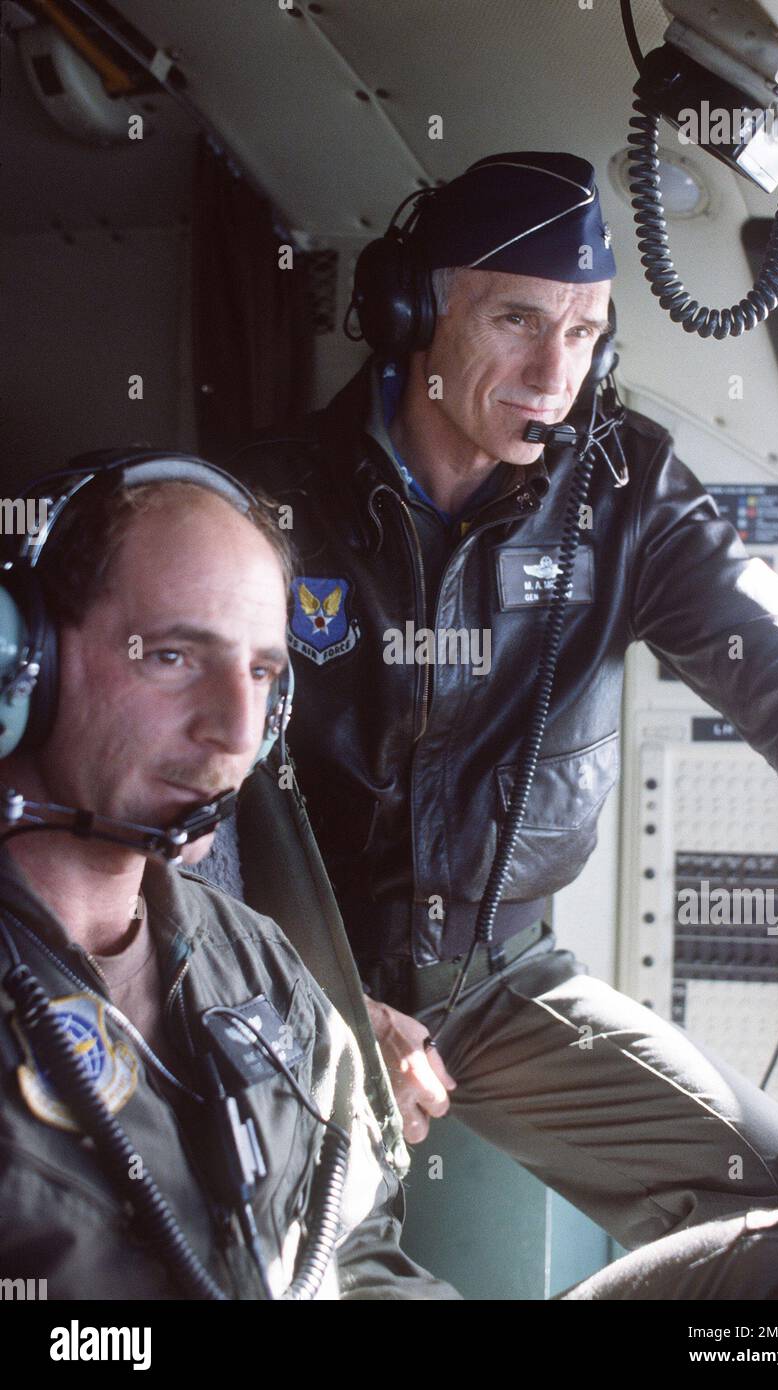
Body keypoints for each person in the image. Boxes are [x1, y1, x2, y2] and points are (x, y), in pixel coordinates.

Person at [233, 150, 778, 1271]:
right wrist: (299, 994)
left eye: (585, 333)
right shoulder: (264, 500)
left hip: (498, 977)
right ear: (413, 311)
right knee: (343, 1278)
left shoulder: (624, 496)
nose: (553, 371)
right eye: (518, 321)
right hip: (296, 976)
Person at [0, 451, 459, 1300]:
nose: (238, 732)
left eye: (261, 673)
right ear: (23, 661)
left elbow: (356, 1251)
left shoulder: (253, 954)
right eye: (173, 657)